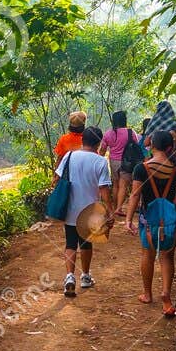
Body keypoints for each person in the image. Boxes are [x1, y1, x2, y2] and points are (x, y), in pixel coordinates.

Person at [122, 130, 176, 318]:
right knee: (167, 257)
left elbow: (135, 195)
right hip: (171, 218)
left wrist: (128, 219)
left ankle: (147, 294)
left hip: (148, 218)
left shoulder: (142, 167)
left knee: (148, 253)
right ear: (170, 147)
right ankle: (166, 296)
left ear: (151, 145)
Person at [54, 125, 111, 298]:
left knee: (70, 243)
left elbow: (57, 177)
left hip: (70, 207)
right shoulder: (101, 161)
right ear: (98, 142)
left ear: (83, 140)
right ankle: (85, 276)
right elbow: (103, 189)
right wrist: (109, 211)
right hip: (90, 210)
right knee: (86, 243)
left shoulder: (70, 156)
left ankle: (70, 276)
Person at [99, 111, 140, 218]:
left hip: (113, 161)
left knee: (115, 184)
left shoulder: (108, 133)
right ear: (124, 120)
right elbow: (136, 146)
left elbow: (102, 150)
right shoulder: (131, 132)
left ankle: (114, 207)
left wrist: (98, 159)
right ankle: (119, 208)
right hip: (127, 162)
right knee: (123, 185)